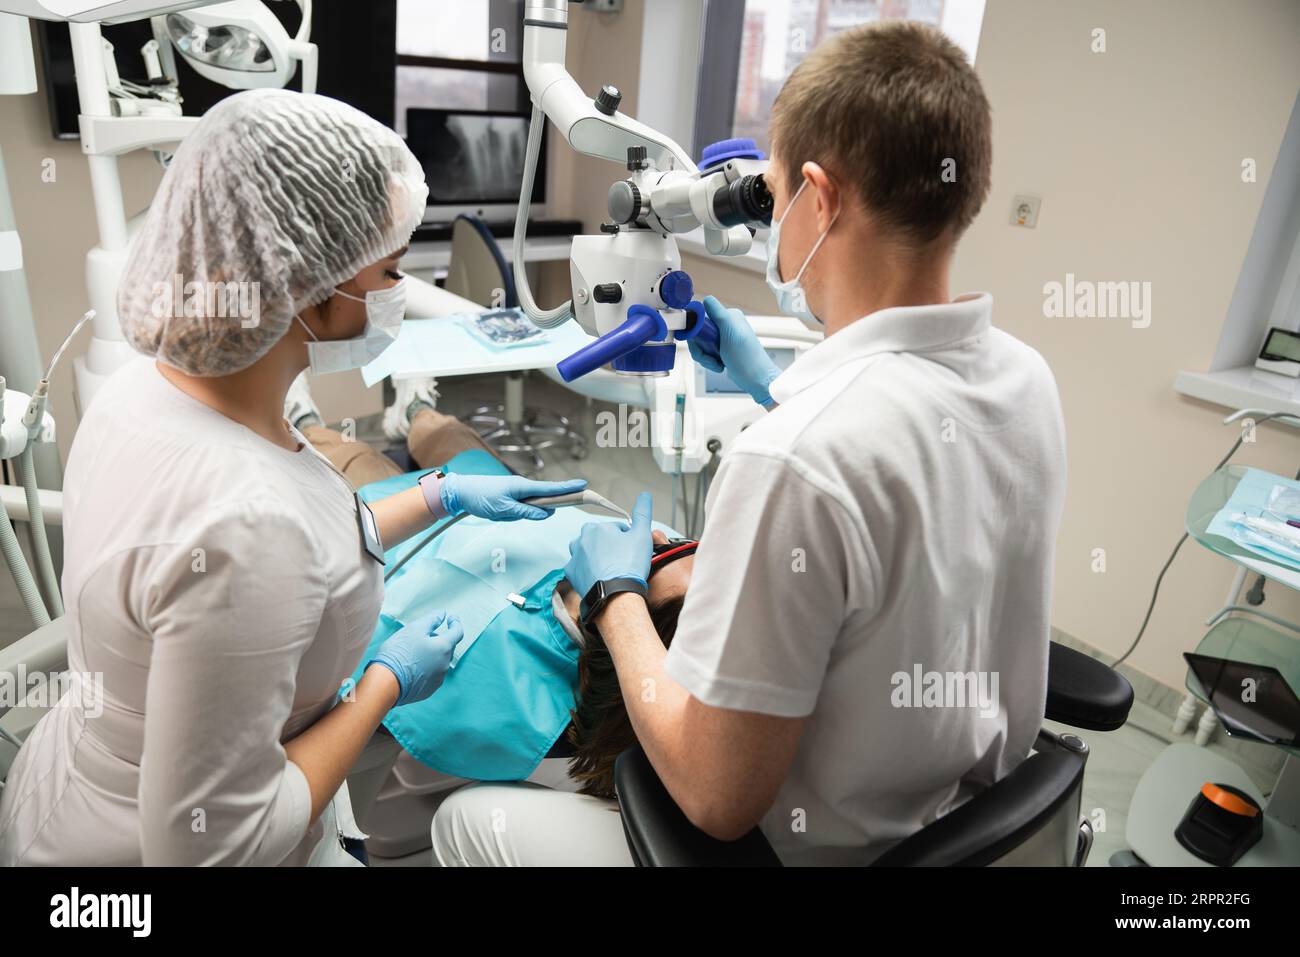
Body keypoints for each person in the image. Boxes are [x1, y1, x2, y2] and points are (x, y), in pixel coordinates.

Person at [431, 20, 1068, 866]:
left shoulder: (795, 460)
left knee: (465, 820)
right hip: (958, 820)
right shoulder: (1026, 380)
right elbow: (904, 465)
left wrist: (617, 596)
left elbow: (715, 794)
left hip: (798, 851)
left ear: (820, 195)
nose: (768, 217)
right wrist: (771, 382)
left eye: (770, 192)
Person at [0, 89, 584, 867]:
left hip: (82, 782)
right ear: (309, 285)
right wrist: (384, 680)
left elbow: (294, 534)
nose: (396, 294)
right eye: (389, 268)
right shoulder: (244, 530)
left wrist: (437, 496)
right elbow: (213, 850)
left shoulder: (147, 387)